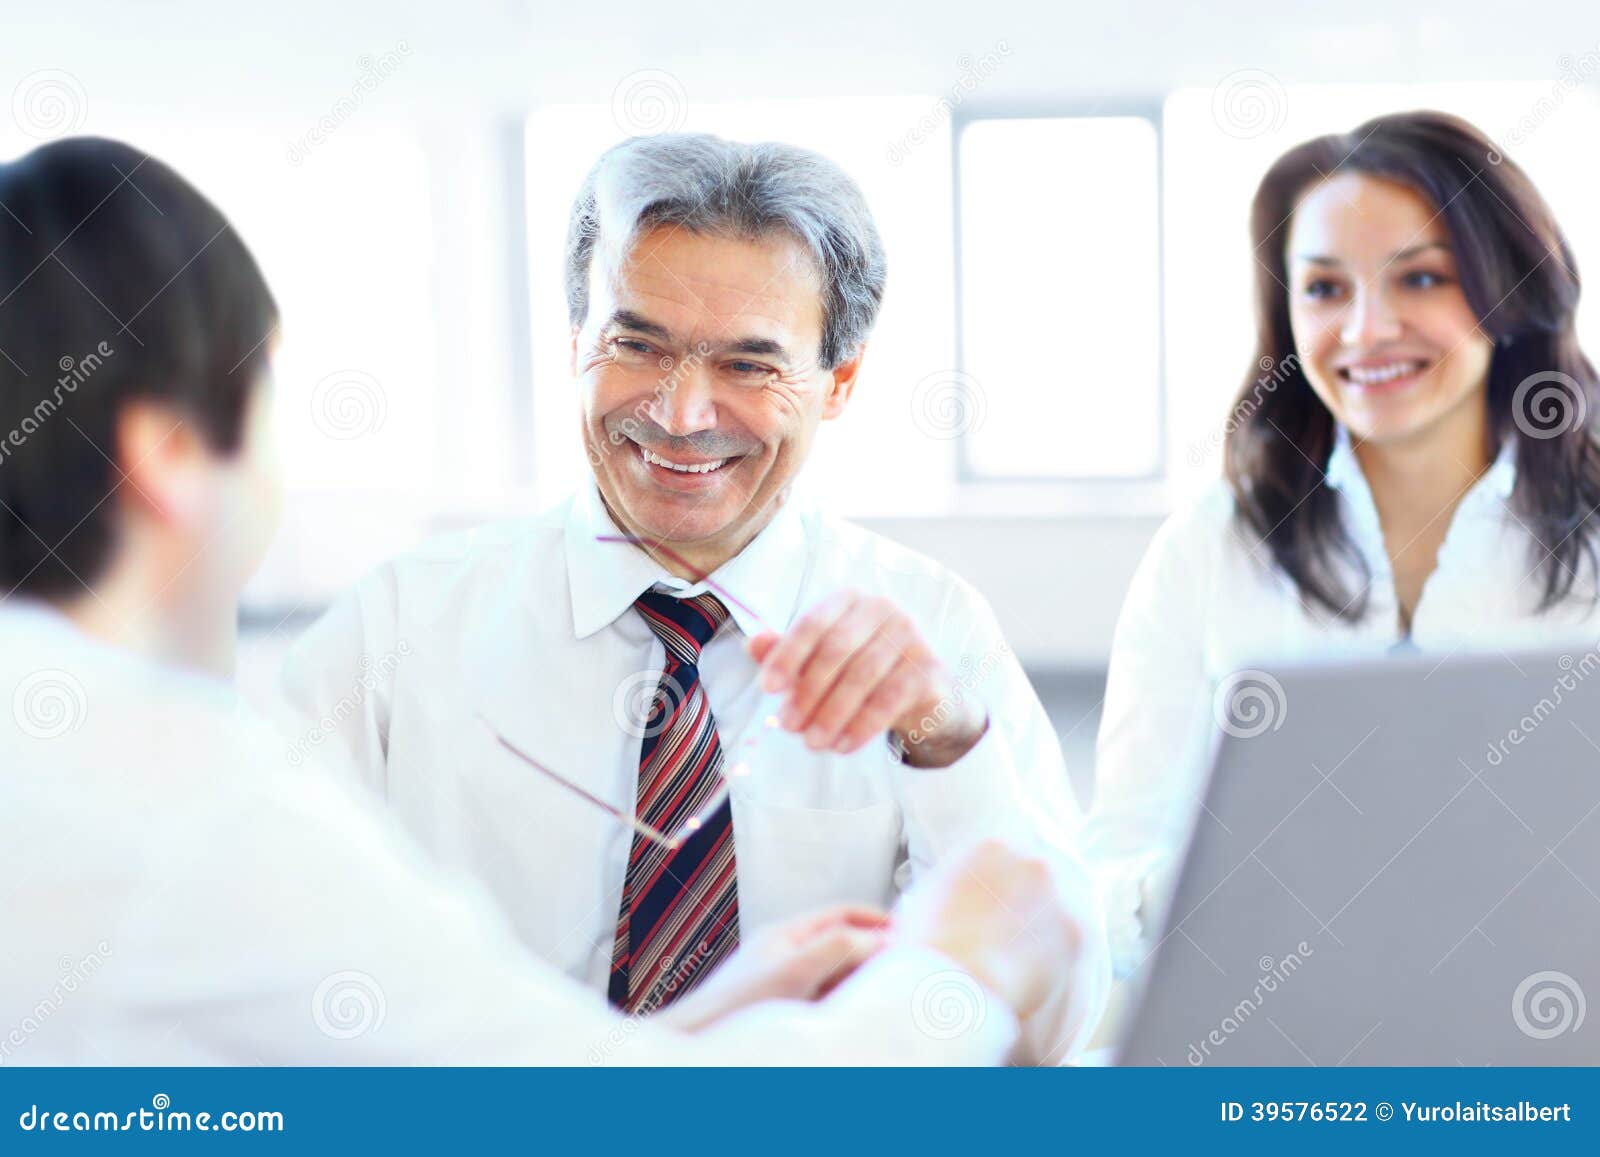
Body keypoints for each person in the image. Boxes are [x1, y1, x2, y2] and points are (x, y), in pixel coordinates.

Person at [0, 136, 1093, 1065]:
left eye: (749, 366)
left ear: (839, 382)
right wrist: (959, 972)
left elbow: (1073, 1008)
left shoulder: (933, 630)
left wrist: (947, 746)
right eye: (635, 342)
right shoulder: (388, 635)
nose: (680, 413)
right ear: (576, 342)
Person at [1087, 110, 1600, 976]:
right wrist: (1230, 891)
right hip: (1276, 1017)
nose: (1366, 330)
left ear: (1506, 288)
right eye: (1325, 289)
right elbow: (1121, 861)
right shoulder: (1210, 546)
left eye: (1421, 278)